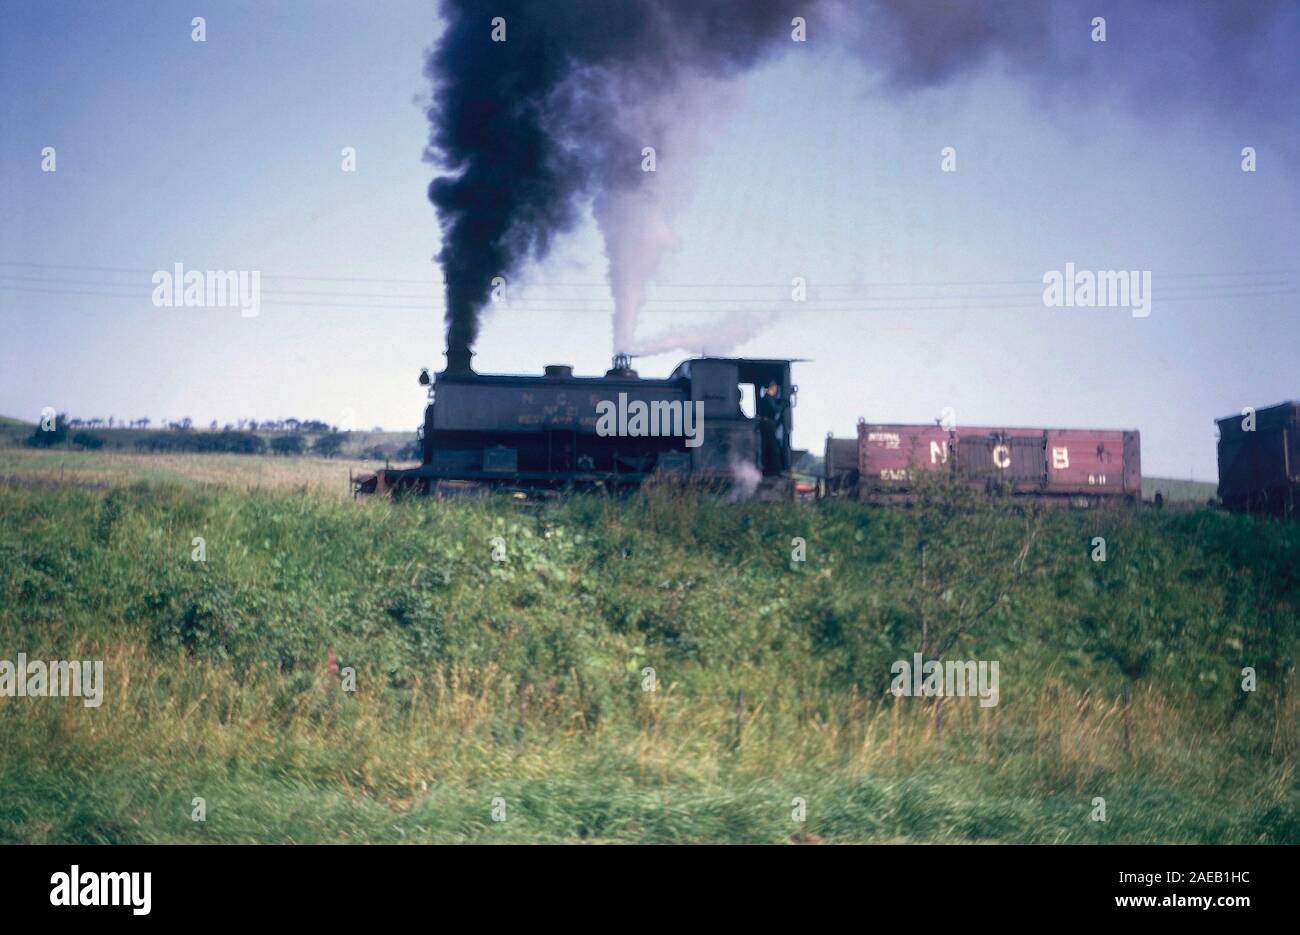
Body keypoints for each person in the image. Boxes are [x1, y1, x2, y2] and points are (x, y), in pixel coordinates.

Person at [756, 381, 787, 475]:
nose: (776, 391)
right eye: (775, 388)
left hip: (766, 425)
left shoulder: (766, 398)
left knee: (768, 447)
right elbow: (775, 409)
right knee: (773, 448)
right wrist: (783, 405)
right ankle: (775, 470)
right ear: (771, 388)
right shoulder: (768, 398)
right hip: (767, 425)